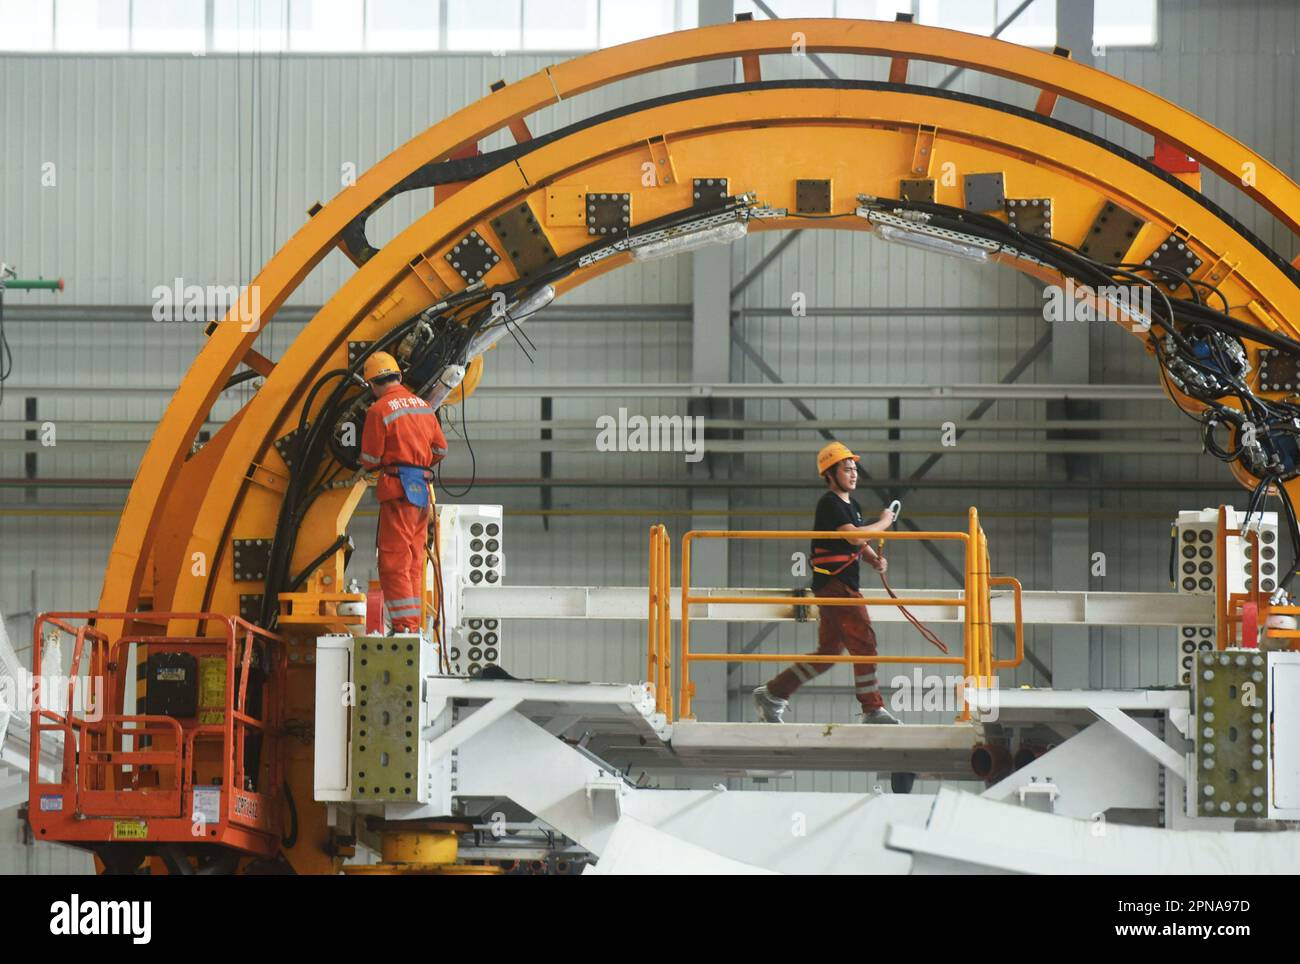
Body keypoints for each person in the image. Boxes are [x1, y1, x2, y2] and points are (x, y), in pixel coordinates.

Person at [753, 442, 898, 724]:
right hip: (836, 585)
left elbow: (858, 542)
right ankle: (872, 709)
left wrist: (873, 560)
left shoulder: (851, 506)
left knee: (829, 653)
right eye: (847, 469)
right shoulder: (829, 503)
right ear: (830, 474)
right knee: (865, 642)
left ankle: (773, 694)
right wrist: (884, 522)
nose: (853, 474)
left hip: (836, 584)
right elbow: (854, 537)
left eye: (855, 469)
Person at [359, 351, 448, 634]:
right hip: (420, 491)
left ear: (372, 383)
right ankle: (412, 624)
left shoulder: (379, 410)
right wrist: (417, 463)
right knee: (412, 558)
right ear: (398, 376)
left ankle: (404, 625)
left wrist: (387, 464)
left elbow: (370, 459)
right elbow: (441, 450)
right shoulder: (423, 407)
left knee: (393, 558)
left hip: (397, 490)